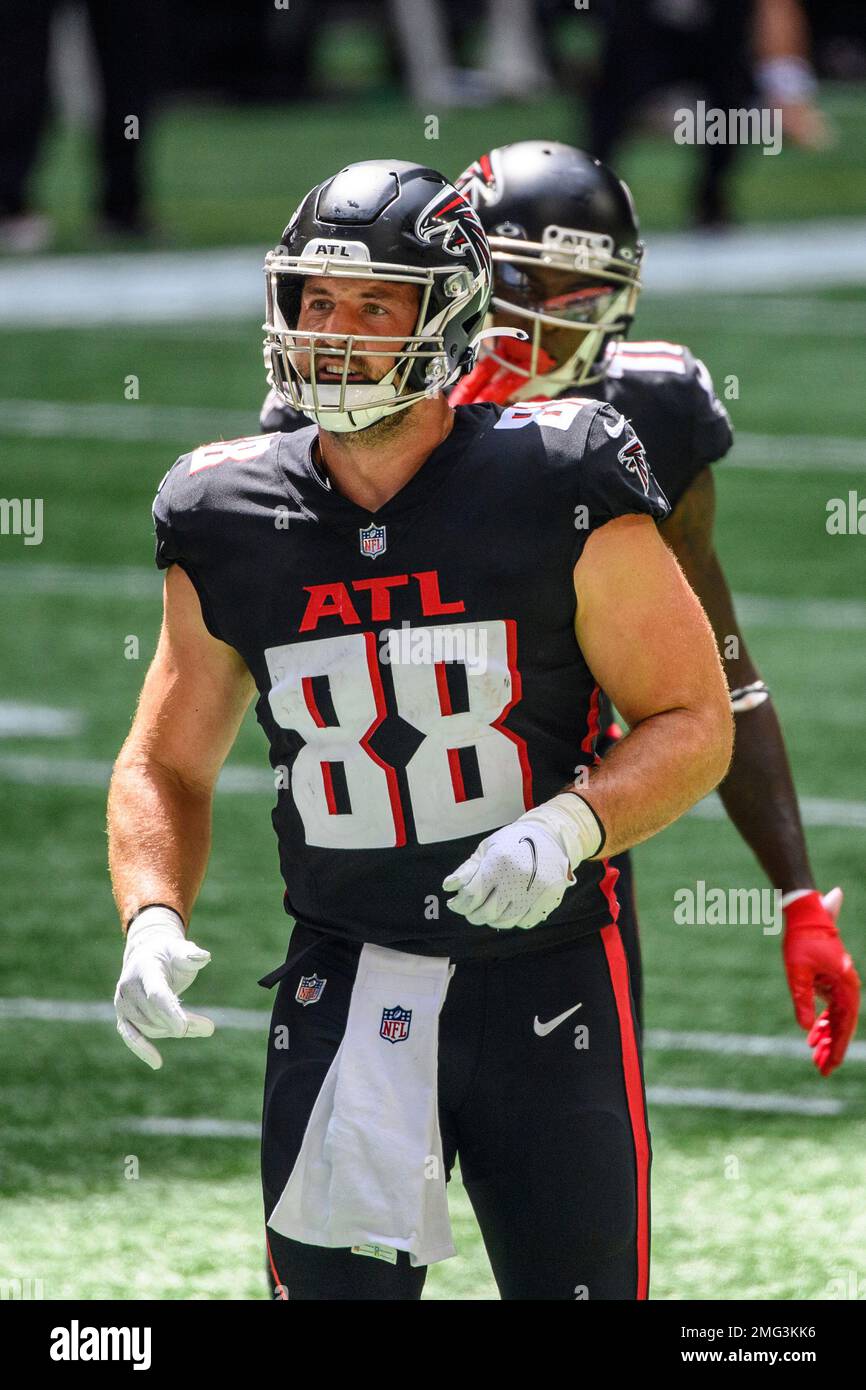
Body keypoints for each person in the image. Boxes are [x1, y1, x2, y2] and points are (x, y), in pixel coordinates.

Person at [109, 159, 732, 1301]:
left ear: (446, 313)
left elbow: (693, 716)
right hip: (343, 980)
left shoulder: (560, 473)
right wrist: (151, 912)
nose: (331, 333)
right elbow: (165, 759)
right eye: (314, 300)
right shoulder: (225, 510)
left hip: (542, 977)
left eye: (373, 304)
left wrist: (570, 826)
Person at [261, 142, 861, 1066]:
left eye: (595, 298)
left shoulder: (647, 416)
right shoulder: (354, 398)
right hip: (381, 828)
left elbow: (723, 681)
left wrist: (796, 897)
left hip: (569, 837)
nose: (580, 328)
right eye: (553, 294)